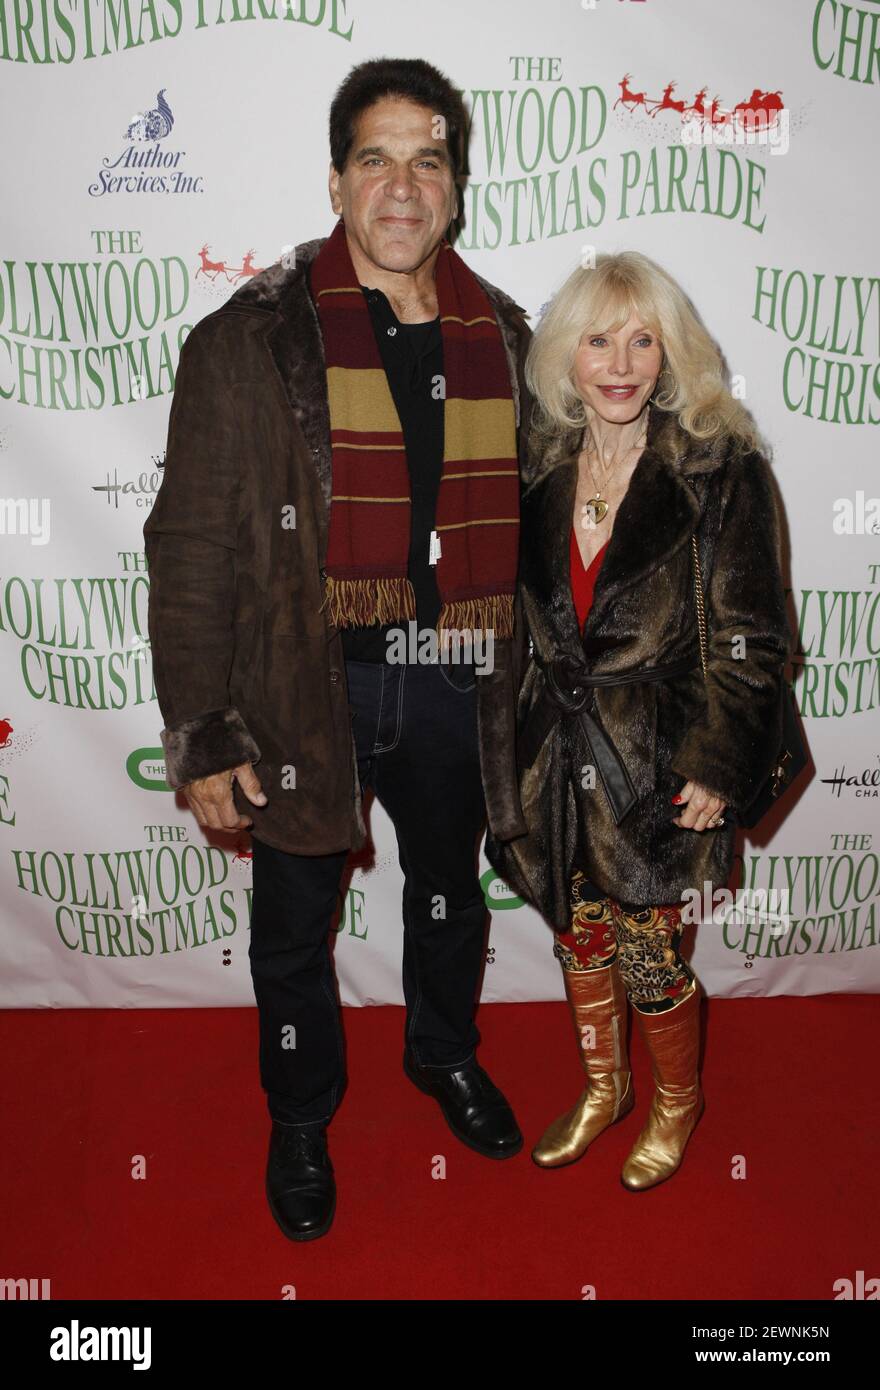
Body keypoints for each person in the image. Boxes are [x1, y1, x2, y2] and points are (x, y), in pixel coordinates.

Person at [143, 57, 534, 1242]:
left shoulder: (508, 337)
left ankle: (440, 1053)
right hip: (305, 683)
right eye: (375, 156)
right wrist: (204, 728)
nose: (401, 183)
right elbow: (194, 541)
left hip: (455, 675)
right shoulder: (251, 340)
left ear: (455, 189)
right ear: (335, 180)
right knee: (291, 921)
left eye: (427, 158)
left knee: (444, 899)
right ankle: (302, 1112)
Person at [486, 250, 792, 1190]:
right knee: (578, 935)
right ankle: (603, 1086)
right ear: (564, 360)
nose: (620, 363)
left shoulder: (717, 467)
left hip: (658, 761)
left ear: (671, 353)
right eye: (597, 340)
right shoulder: (537, 461)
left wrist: (719, 761)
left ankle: (675, 1102)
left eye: (644, 340)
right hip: (557, 756)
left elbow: (753, 636)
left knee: (650, 957)